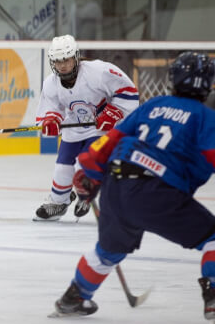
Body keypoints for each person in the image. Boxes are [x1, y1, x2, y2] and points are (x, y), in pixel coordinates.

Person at [52, 52, 215, 324]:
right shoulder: (210, 119)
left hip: (116, 185)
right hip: (159, 192)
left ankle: (73, 298)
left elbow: (110, 140)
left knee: (110, 249)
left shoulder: (154, 105)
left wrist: (88, 173)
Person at [33, 34, 139, 221]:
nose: (62, 65)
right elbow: (52, 107)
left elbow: (128, 91)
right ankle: (59, 202)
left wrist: (113, 113)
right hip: (73, 128)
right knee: (62, 167)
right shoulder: (51, 83)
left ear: (76, 57)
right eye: (57, 61)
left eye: (66, 59)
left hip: (100, 127)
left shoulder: (98, 72)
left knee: (83, 164)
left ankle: (85, 196)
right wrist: (51, 121)